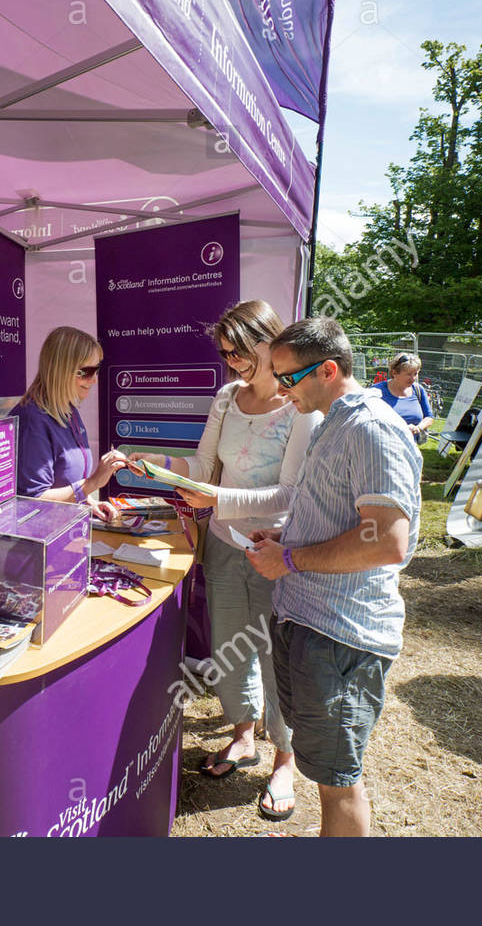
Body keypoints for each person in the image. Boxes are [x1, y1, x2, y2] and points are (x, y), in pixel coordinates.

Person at [127, 300, 321, 822]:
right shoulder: (227, 397)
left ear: (270, 341)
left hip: (272, 550)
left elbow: (290, 493)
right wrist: (160, 468)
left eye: (240, 351)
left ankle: (284, 759)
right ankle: (243, 735)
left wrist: (219, 500)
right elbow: (201, 465)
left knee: (275, 657)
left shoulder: (301, 405)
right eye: (225, 354)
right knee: (227, 647)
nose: (232, 362)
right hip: (221, 543)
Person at [245, 317, 422, 837]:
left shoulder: (369, 427)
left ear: (327, 369)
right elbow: (340, 518)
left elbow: (387, 539)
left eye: (287, 377)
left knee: (338, 782)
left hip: (340, 636)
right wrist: (286, 545)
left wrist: (291, 560)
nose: (279, 389)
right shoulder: (334, 421)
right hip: (313, 625)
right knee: (325, 770)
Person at [11, 326, 125, 520]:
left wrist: (88, 502)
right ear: (61, 370)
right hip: (39, 542)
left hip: (64, 531)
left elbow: (64, 482)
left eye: (97, 370)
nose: (94, 380)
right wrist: (92, 483)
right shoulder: (33, 421)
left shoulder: (66, 409)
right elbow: (33, 500)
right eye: (87, 372)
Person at [372, 352, 434, 444]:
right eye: (408, 374)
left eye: (415, 374)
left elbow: (429, 417)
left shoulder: (418, 390)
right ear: (394, 373)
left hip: (411, 448)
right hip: (382, 447)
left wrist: (418, 428)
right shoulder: (376, 391)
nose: (413, 378)